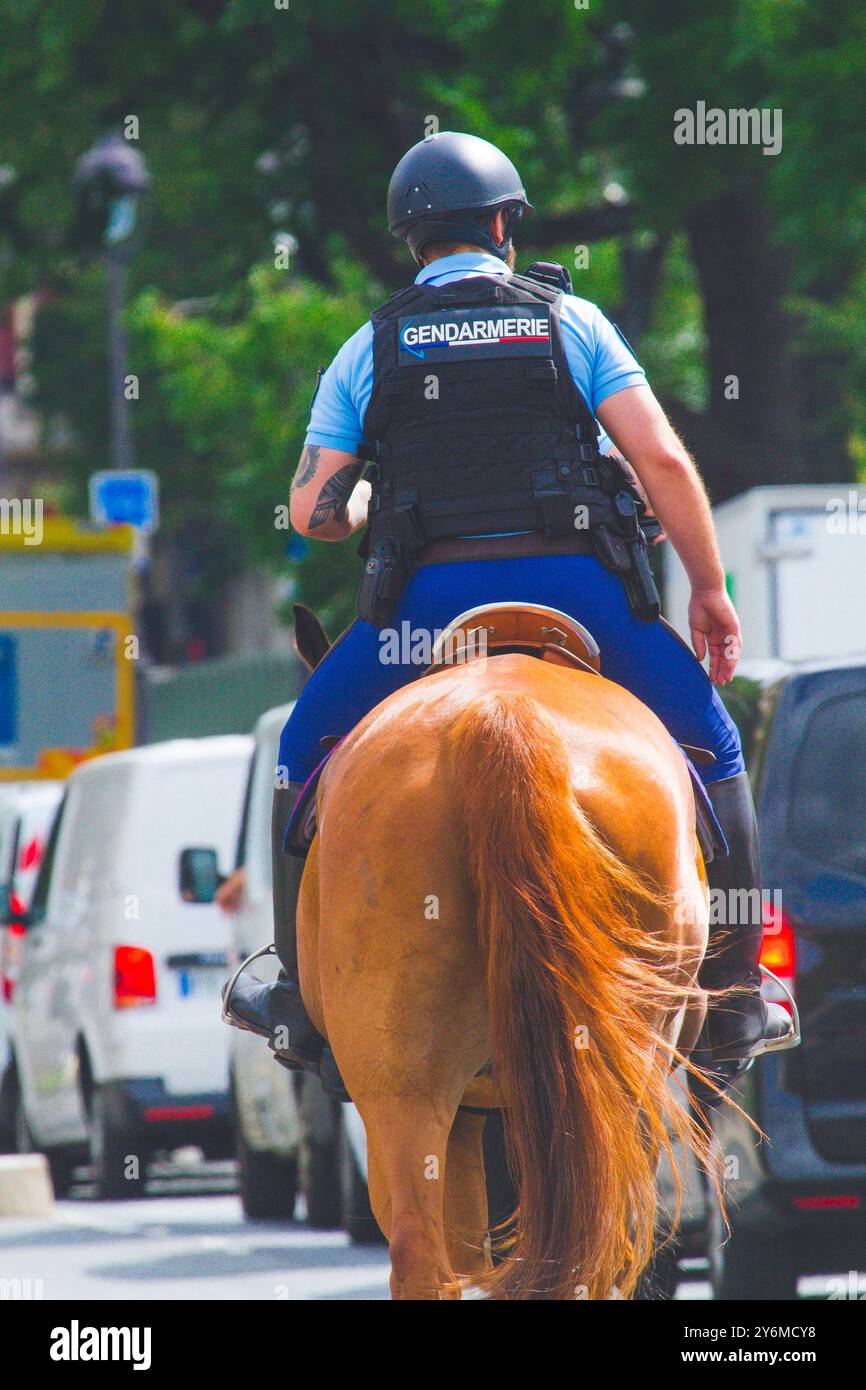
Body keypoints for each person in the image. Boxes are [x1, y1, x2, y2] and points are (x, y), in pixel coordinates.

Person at [224, 131, 793, 1098]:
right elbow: (658, 461)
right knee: (716, 749)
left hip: (426, 607)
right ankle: (735, 988)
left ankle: (296, 991)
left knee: (303, 754)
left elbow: (317, 513)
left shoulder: (371, 344)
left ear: (412, 242)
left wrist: (366, 505)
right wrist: (708, 589)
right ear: (503, 226)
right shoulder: (570, 321)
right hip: (584, 595)